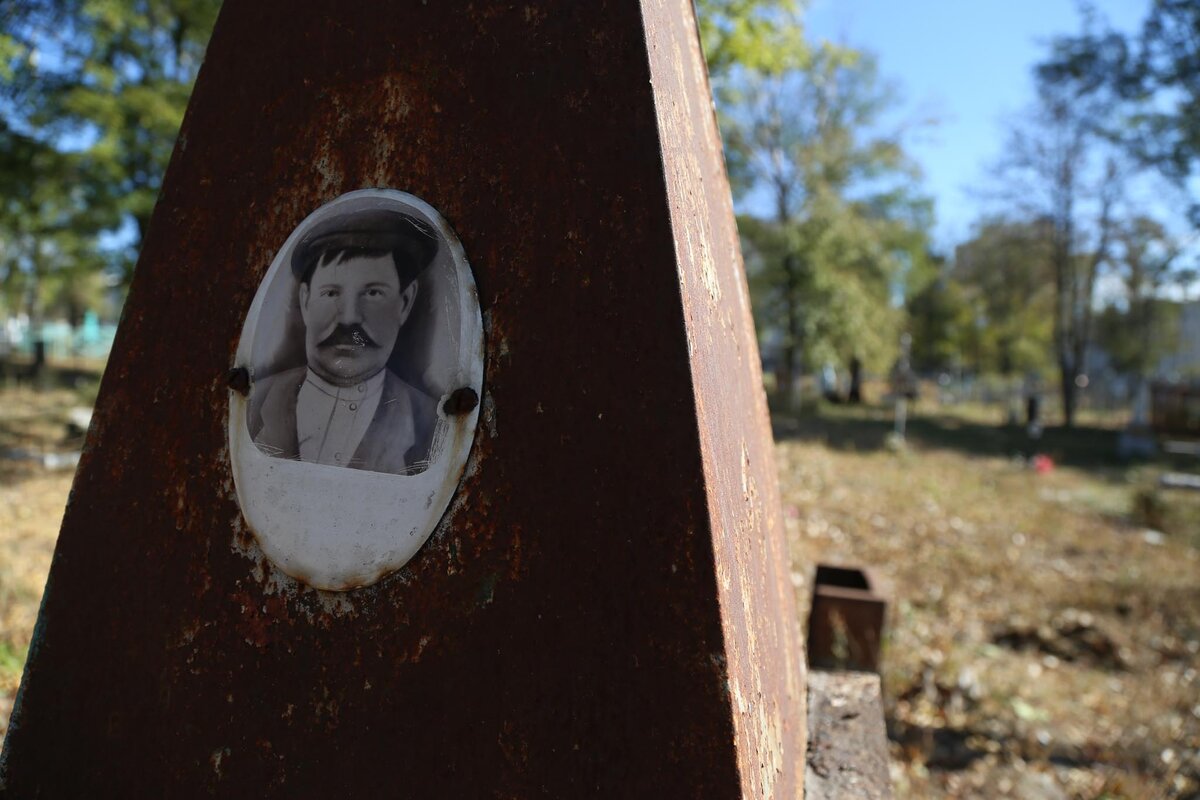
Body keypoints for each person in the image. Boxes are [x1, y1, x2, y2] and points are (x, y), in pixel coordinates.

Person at [248, 209, 439, 475]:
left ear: (404, 303)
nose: (349, 318)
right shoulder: (253, 402)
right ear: (305, 300)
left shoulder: (433, 425)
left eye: (373, 292)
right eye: (330, 293)